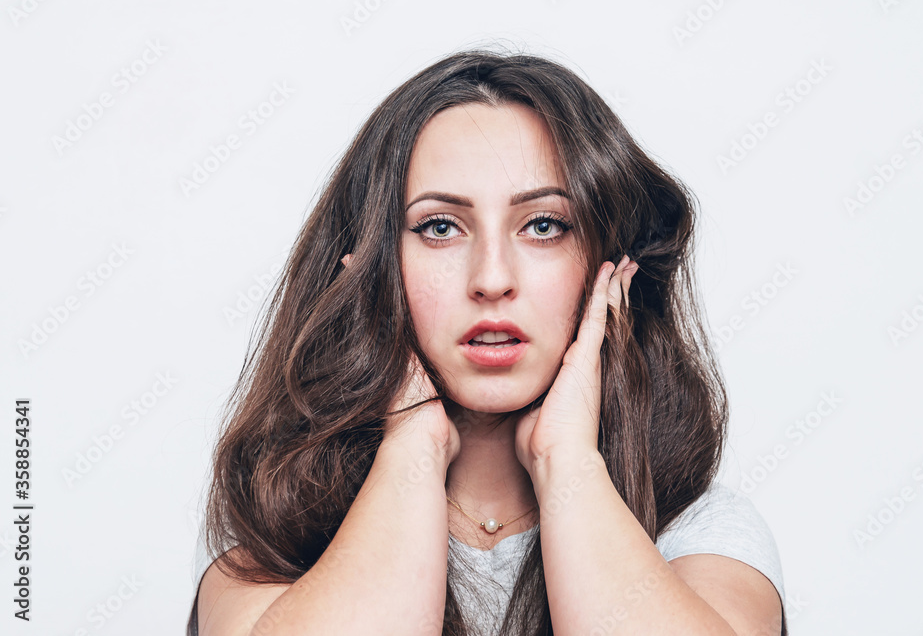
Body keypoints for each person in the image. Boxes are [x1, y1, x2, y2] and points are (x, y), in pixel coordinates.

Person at [187, 46, 786, 635]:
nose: (492, 280)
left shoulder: (700, 534)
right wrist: (414, 444)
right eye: (440, 228)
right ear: (371, 271)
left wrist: (566, 459)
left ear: (612, 264)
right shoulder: (274, 533)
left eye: (544, 226)